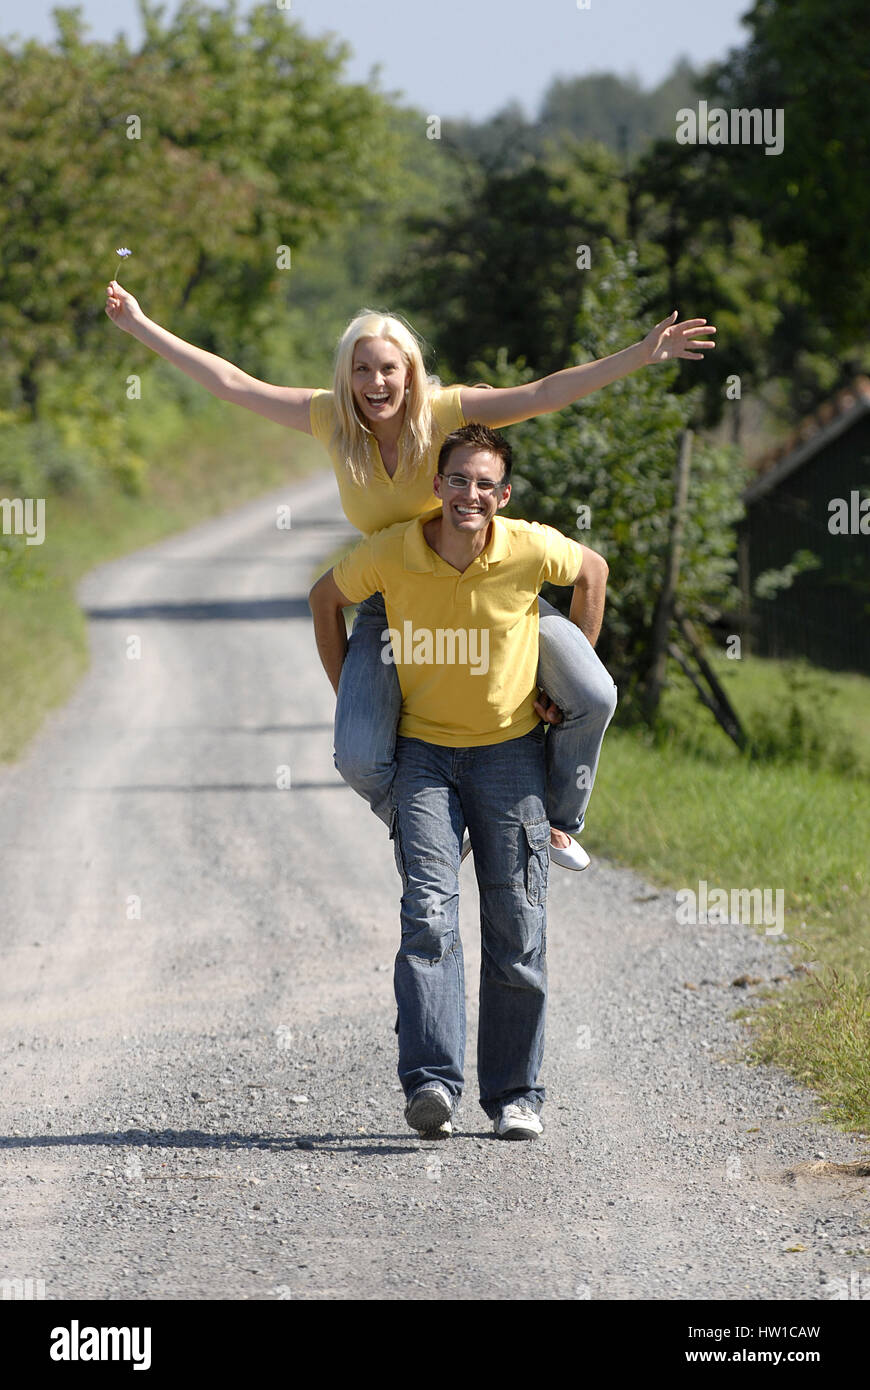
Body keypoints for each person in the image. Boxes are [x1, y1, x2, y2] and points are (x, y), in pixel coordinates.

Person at [105, 287, 715, 863]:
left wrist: (642, 354)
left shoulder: (447, 410)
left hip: (488, 586)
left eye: (388, 368)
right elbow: (234, 383)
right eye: (363, 369)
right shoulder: (330, 421)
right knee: (360, 754)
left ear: (410, 372)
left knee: (592, 693)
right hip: (392, 600)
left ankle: (555, 822)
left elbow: (542, 394)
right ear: (347, 376)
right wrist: (138, 324)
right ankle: (430, 825)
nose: (376, 382)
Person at [308, 423, 609, 1139]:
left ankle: (515, 1096)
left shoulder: (529, 547)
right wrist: (350, 690)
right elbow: (325, 598)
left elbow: (592, 571)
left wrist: (562, 675)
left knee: (518, 927)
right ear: (437, 485)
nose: (469, 493)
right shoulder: (394, 552)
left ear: (502, 496)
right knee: (429, 917)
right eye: (457, 479)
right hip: (423, 762)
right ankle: (432, 1085)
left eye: (485, 484)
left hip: (512, 759)